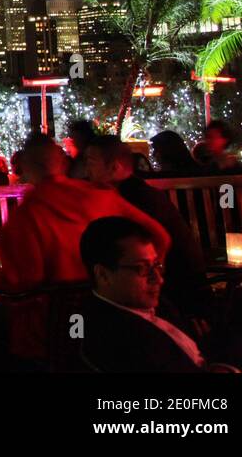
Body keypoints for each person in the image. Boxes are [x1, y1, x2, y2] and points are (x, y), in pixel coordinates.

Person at [0, 140, 170, 292]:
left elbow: (26, 280)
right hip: (103, 299)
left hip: (56, 312)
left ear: (25, 167)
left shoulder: (28, 212)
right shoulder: (100, 196)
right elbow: (160, 236)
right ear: (64, 164)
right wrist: (144, 277)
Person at [84, 136, 210, 320]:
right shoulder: (135, 192)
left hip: (181, 302)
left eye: (90, 162)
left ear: (114, 167)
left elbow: (161, 244)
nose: (86, 171)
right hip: (182, 294)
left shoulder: (133, 199)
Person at [77, 217, 207, 372]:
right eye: (142, 268)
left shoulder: (158, 302)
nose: (158, 279)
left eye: (156, 265)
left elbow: (221, 338)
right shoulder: (108, 338)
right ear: (103, 275)